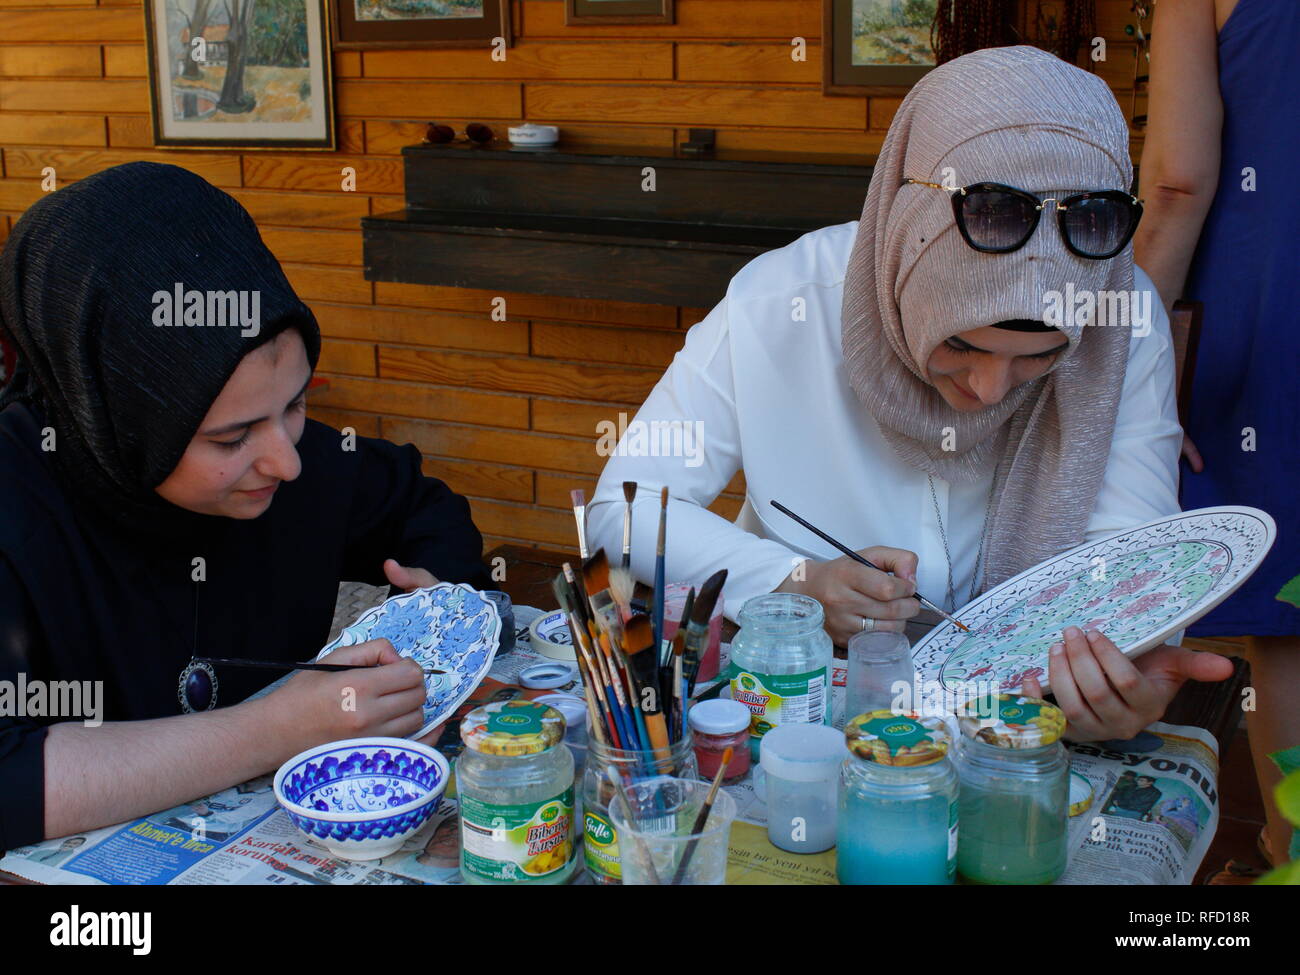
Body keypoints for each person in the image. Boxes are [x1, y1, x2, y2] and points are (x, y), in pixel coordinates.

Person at [586, 46, 1234, 744]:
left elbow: (1132, 566)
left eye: (1038, 359)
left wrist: (1112, 680)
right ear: (907, 244)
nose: (988, 391)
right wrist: (794, 582)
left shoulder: (1118, 322)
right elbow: (619, 512)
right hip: (802, 706)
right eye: (960, 345)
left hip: (1019, 723)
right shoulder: (784, 300)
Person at [0, 162, 492, 854]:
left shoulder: (291, 460)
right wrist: (277, 725)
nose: (285, 461)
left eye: (295, 402)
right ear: (116, 415)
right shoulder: (18, 503)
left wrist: (439, 619)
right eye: (231, 437)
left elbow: (423, 508)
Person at [1133, 0, 1299, 870]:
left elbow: (1176, 182)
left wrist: (1122, 368)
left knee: (1289, 619)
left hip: (1274, 299)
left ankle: (1288, 854)